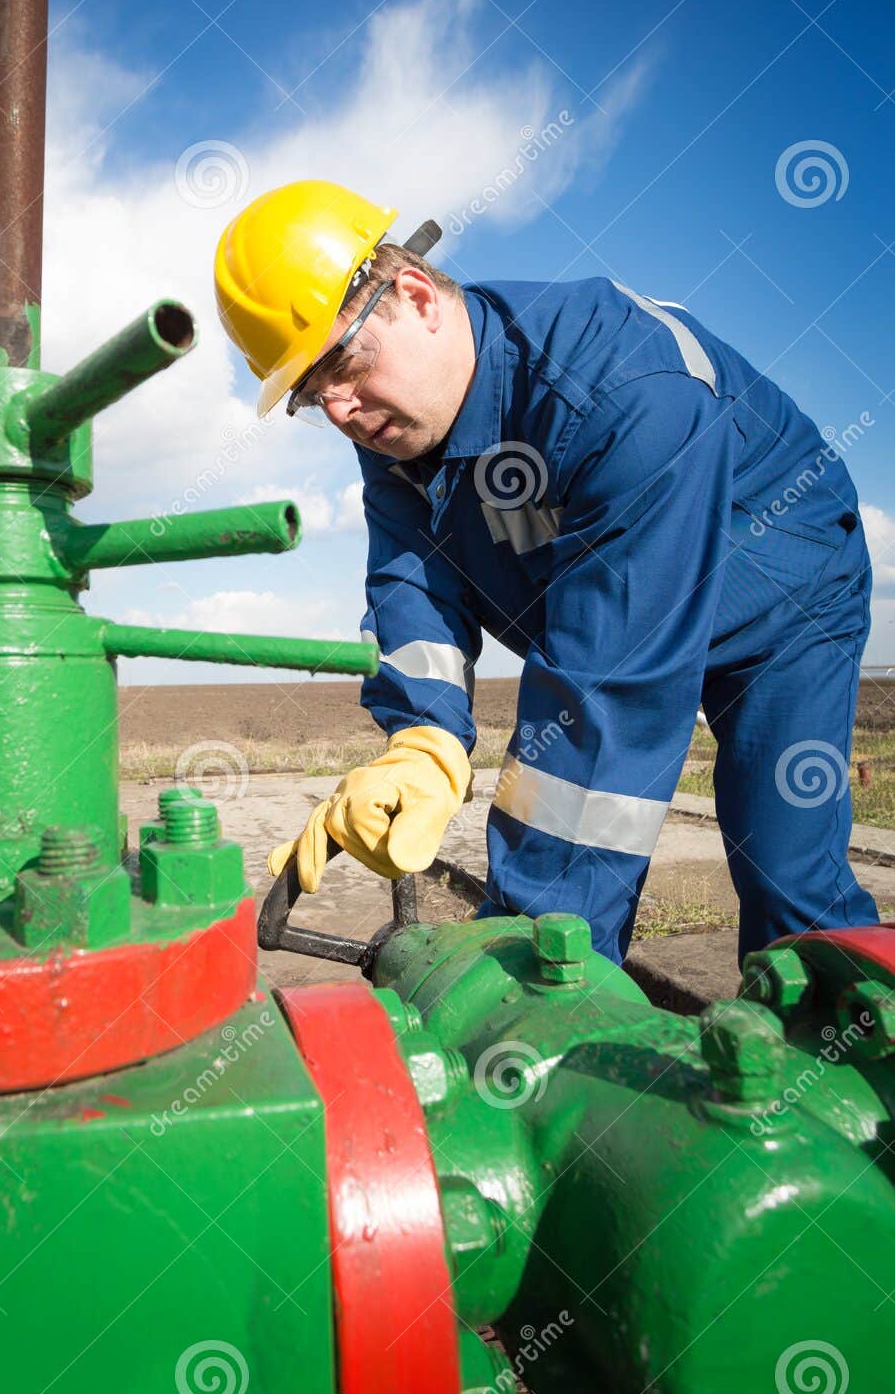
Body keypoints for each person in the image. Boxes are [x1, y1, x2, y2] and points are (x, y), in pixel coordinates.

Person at [214, 179, 878, 963]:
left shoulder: (619, 387)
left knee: (785, 868)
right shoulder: (393, 430)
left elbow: (607, 686)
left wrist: (531, 955)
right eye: (309, 394)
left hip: (779, 599)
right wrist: (422, 736)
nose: (339, 410)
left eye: (343, 365)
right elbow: (410, 583)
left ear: (417, 296)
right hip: (621, 606)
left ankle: (845, 1041)